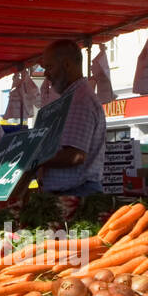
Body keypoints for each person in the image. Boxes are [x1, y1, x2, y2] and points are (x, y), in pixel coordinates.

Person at [34, 39, 107, 197]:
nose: (46, 74)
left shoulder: (79, 101)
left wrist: (33, 159)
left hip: (76, 195)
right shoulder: (71, 98)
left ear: (66, 65)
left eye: (49, 67)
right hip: (70, 193)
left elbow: (75, 155)